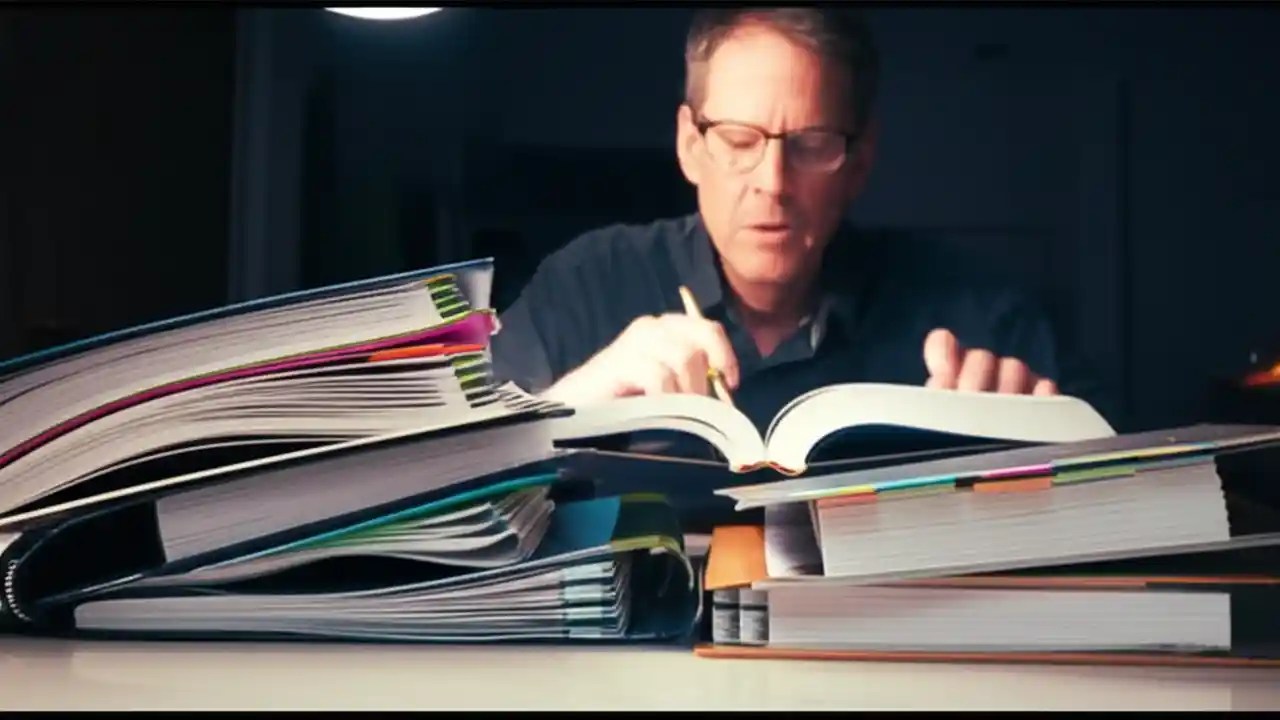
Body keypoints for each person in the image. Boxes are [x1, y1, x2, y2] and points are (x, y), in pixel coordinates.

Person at [490, 7, 1111, 433]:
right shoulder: (581, 285)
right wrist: (572, 402)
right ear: (689, 144)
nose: (773, 183)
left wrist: (1050, 446)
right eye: (738, 139)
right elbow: (439, 483)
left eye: (812, 143)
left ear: (860, 160)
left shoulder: (982, 316)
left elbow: (1133, 484)